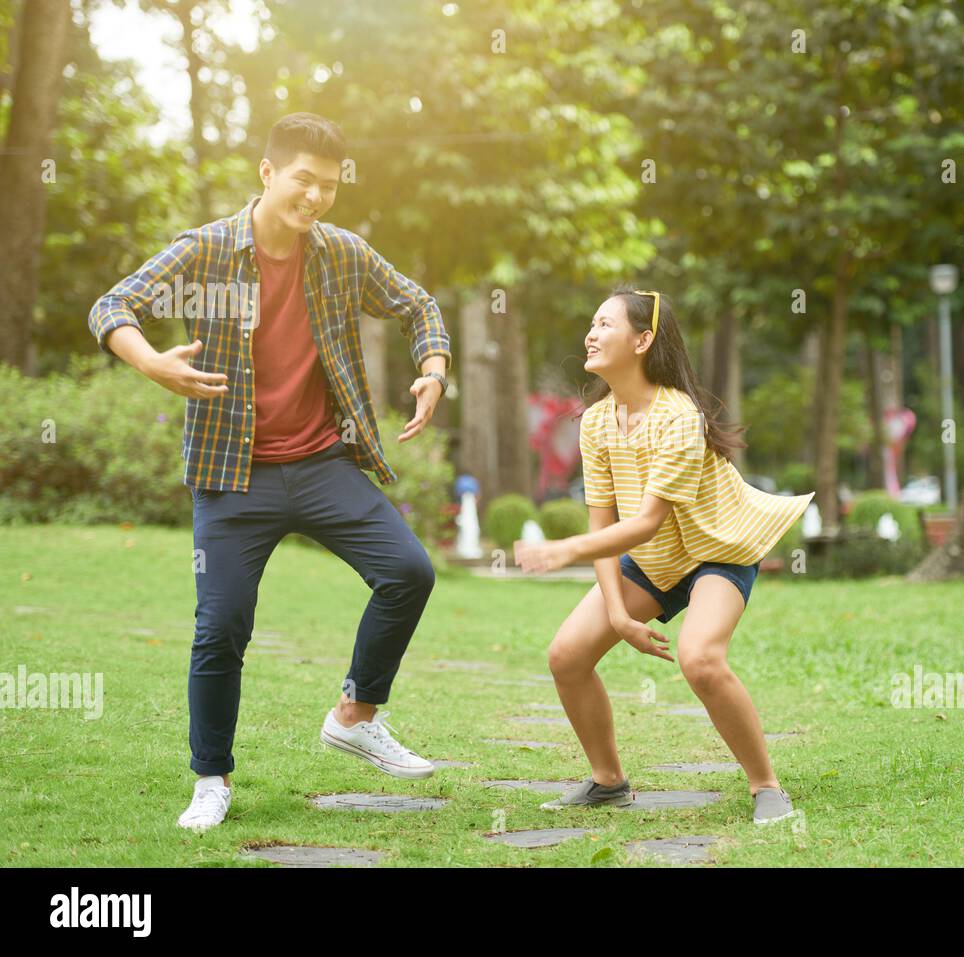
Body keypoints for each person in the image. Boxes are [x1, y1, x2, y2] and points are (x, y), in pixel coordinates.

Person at [87, 113, 452, 831]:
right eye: (302, 180)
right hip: (234, 474)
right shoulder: (208, 249)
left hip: (323, 463)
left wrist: (433, 367)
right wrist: (152, 362)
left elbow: (418, 304)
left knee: (409, 570)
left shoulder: (341, 254)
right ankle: (211, 779)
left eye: (329, 186)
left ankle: (355, 714)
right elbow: (112, 305)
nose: (314, 197)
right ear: (267, 172)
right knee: (220, 625)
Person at [513, 286, 813, 825]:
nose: (591, 333)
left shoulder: (678, 416)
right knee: (568, 656)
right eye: (592, 322)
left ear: (643, 339)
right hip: (651, 559)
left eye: (605, 324)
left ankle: (766, 786)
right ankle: (608, 782)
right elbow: (603, 521)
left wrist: (563, 551)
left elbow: (647, 519)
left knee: (700, 659)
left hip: (715, 553)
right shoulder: (597, 421)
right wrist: (616, 612)